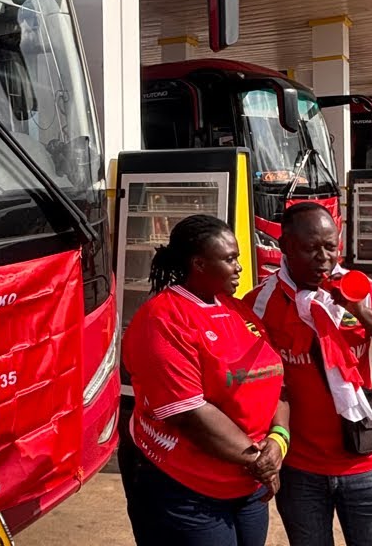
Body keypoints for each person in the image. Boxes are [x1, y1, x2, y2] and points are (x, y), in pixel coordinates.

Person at [245, 202, 372, 546]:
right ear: (285, 246)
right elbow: (255, 384)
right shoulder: (260, 303)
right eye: (311, 248)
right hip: (300, 470)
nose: (323, 258)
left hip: (365, 463)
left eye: (331, 246)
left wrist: (360, 311)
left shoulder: (361, 290)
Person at [120, 214, 290, 546]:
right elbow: (189, 413)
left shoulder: (238, 310)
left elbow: (277, 384)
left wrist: (279, 441)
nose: (239, 267)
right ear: (198, 263)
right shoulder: (162, 319)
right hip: (187, 489)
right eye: (229, 259)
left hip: (249, 484)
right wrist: (260, 461)